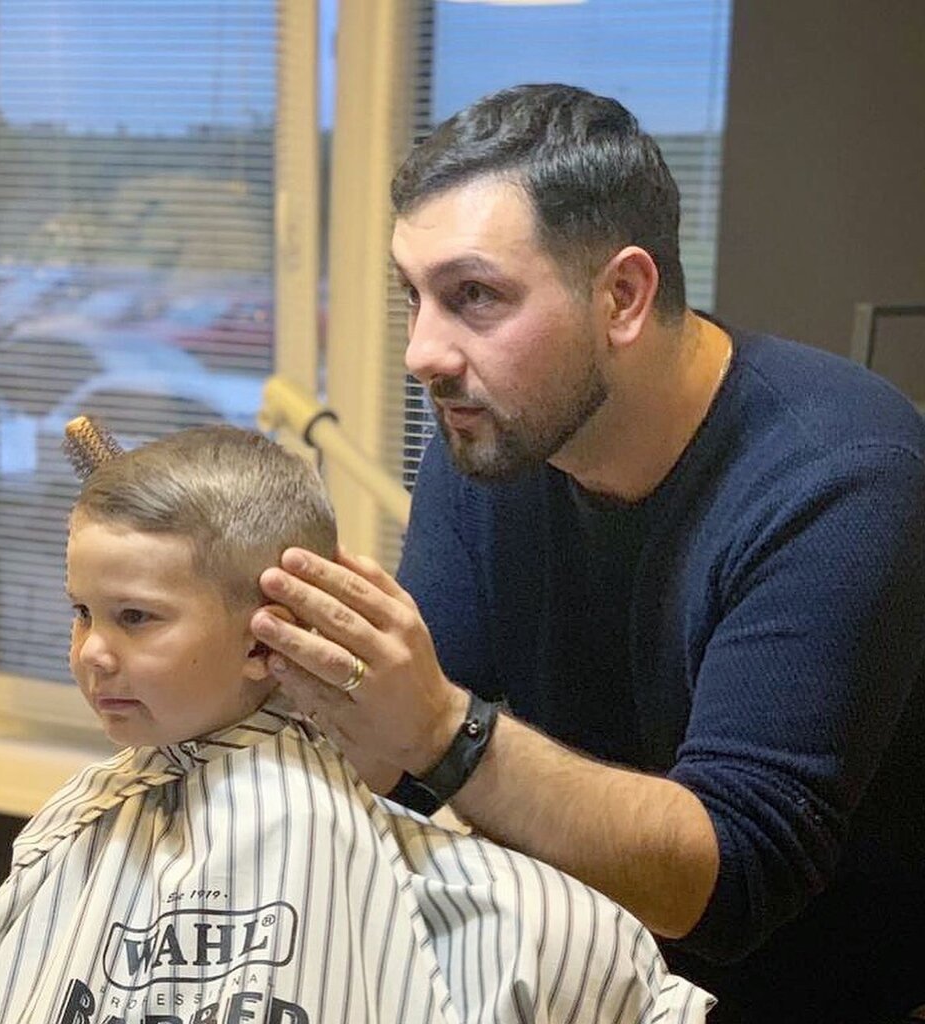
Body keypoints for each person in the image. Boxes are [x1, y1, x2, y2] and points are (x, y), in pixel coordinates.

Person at [248, 85, 925, 1022]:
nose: (424, 352)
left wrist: (447, 730)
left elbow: (730, 887)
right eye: (416, 296)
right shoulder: (495, 437)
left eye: (473, 295)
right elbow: (396, 764)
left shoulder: (843, 475)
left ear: (623, 296)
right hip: (576, 981)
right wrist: (238, 678)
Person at [0, 423, 710, 1024]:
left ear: (267, 640)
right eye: (84, 613)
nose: (92, 654)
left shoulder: (312, 823)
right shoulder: (96, 808)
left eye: (137, 618)